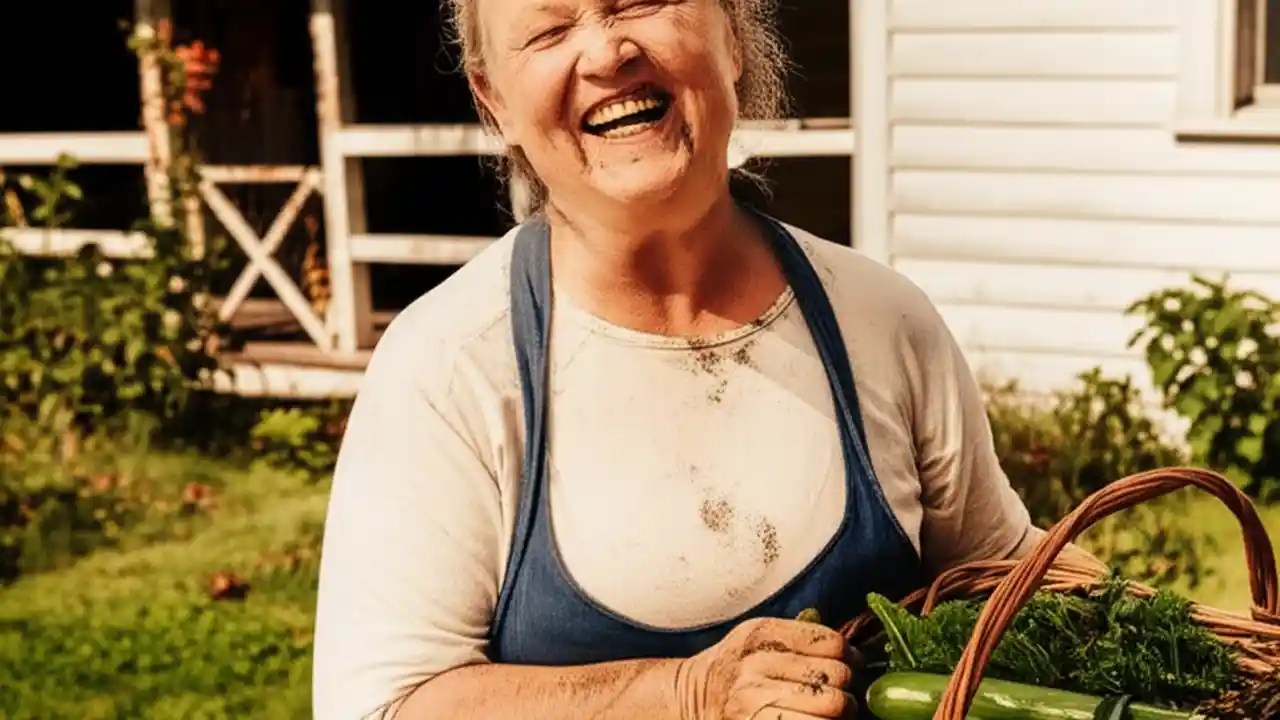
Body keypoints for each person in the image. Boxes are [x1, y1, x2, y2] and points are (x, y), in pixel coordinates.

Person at [311, 1, 1050, 718]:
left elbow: (1002, 575)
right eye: (549, 28)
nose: (606, 53)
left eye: (640, 2)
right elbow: (385, 702)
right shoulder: (448, 367)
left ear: (731, 34)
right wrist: (687, 697)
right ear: (493, 98)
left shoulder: (883, 321)